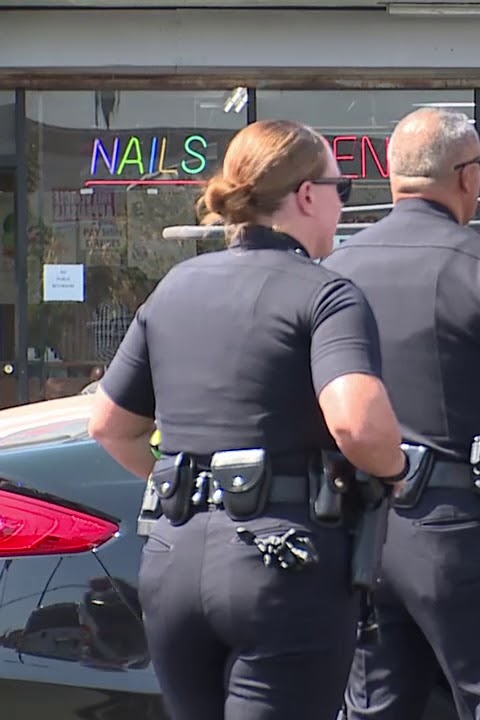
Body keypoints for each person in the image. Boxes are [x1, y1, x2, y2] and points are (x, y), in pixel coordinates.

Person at [87, 119, 411, 720]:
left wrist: (187, 484)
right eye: (341, 191)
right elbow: (358, 424)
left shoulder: (176, 286)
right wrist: (397, 472)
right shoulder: (325, 294)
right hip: (284, 564)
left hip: (173, 558)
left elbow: (109, 424)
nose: (342, 207)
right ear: (307, 195)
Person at [323, 108, 480, 720]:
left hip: (358, 531)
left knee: (376, 708)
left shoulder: (333, 273)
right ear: (468, 177)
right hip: (459, 527)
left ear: (393, 176)